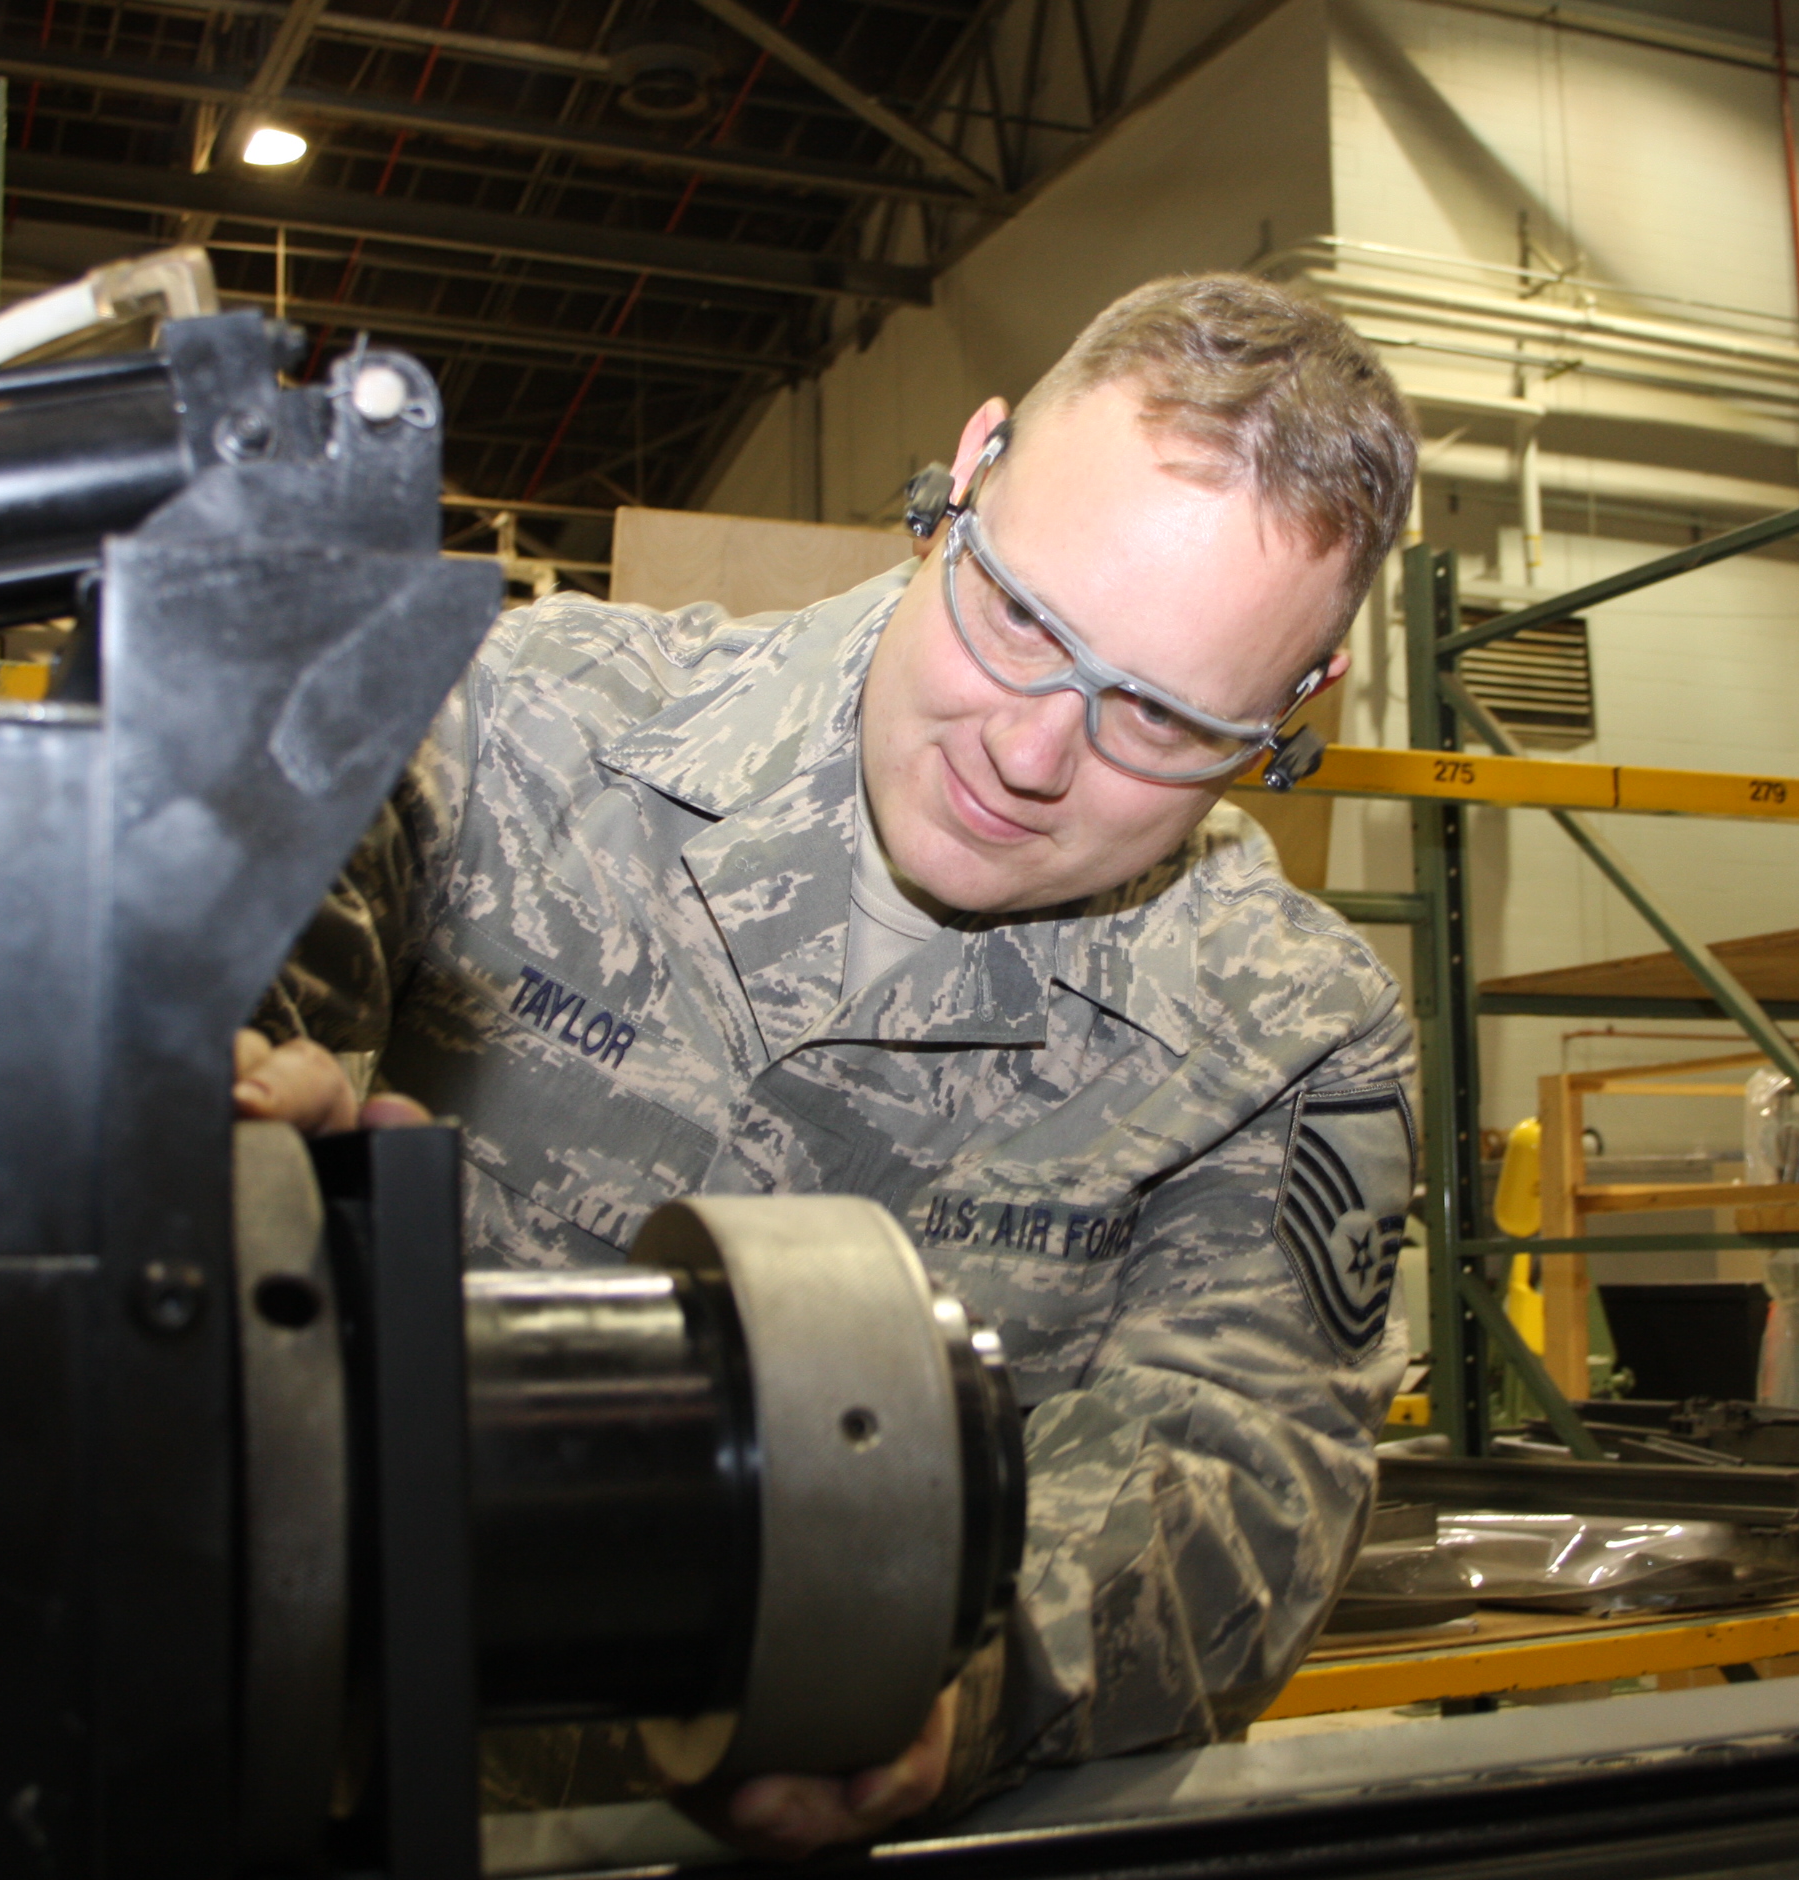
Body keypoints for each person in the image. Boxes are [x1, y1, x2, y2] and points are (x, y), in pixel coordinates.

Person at [237, 272, 1423, 1856]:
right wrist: (234, 1086)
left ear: (1297, 705)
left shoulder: (1284, 1030)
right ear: (972, 466)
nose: (1032, 751)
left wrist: (956, 1690)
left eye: (1160, 719)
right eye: (1021, 619)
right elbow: (262, 896)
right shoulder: (513, 723)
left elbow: (1241, 1466)